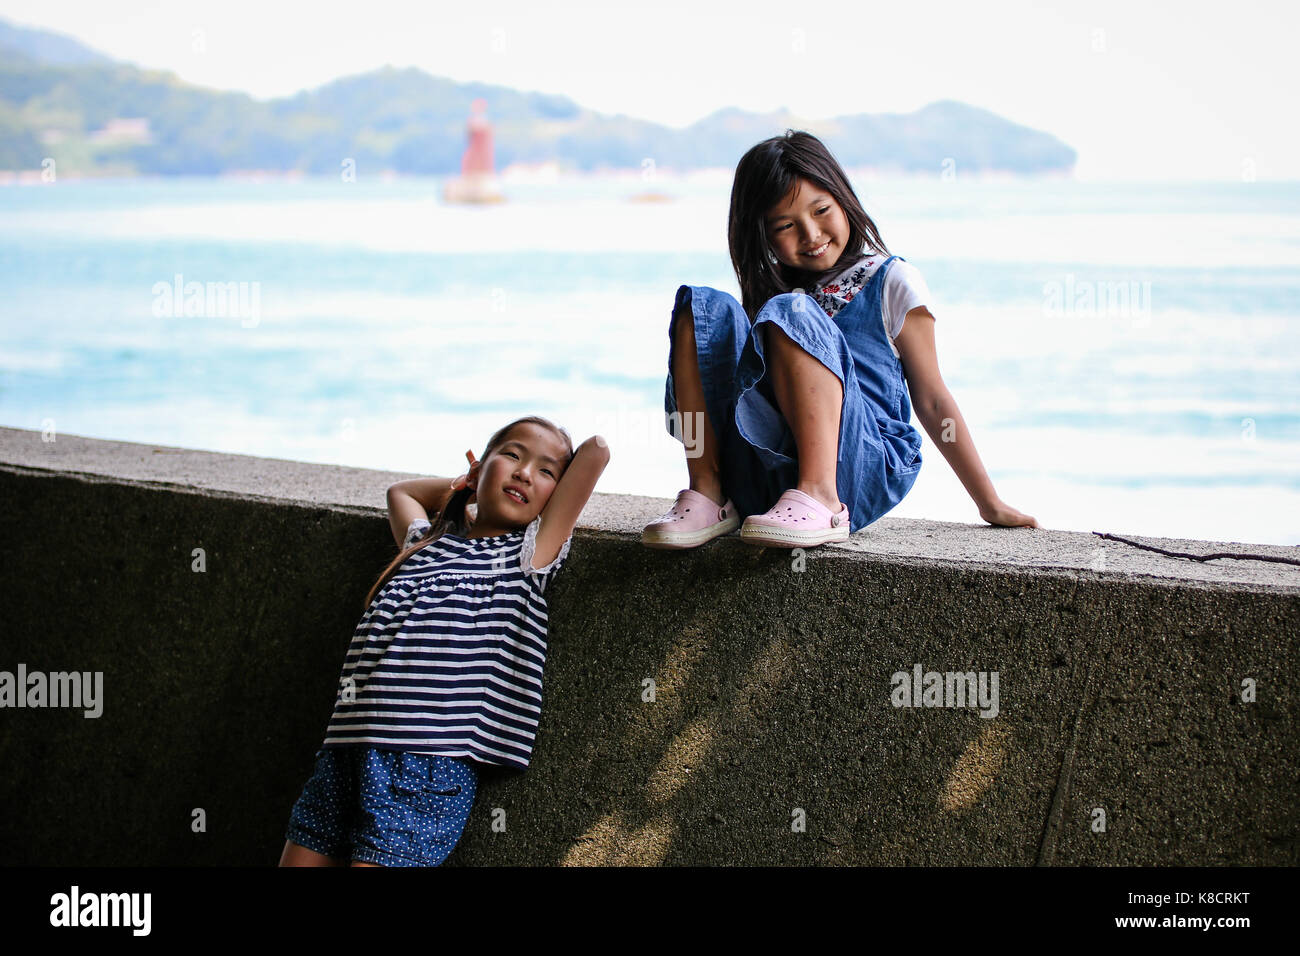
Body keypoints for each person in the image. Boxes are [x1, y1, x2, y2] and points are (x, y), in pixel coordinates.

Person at [643, 130, 1037, 550]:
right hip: (765, 479)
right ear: (761, 235)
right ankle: (708, 493)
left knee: (791, 310)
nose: (811, 234)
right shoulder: (771, 300)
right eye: (786, 225)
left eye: (821, 210)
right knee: (700, 306)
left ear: (843, 199)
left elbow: (933, 399)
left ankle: (820, 495)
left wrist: (988, 501)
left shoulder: (891, 281)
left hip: (859, 468)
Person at [279, 416, 609, 866]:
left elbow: (597, 451)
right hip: (344, 749)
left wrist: (526, 477)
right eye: (512, 455)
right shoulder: (424, 545)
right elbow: (402, 493)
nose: (525, 472)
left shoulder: (527, 557)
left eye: (547, 470)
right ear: (479, 470)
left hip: (427, 760)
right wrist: (466, 483)